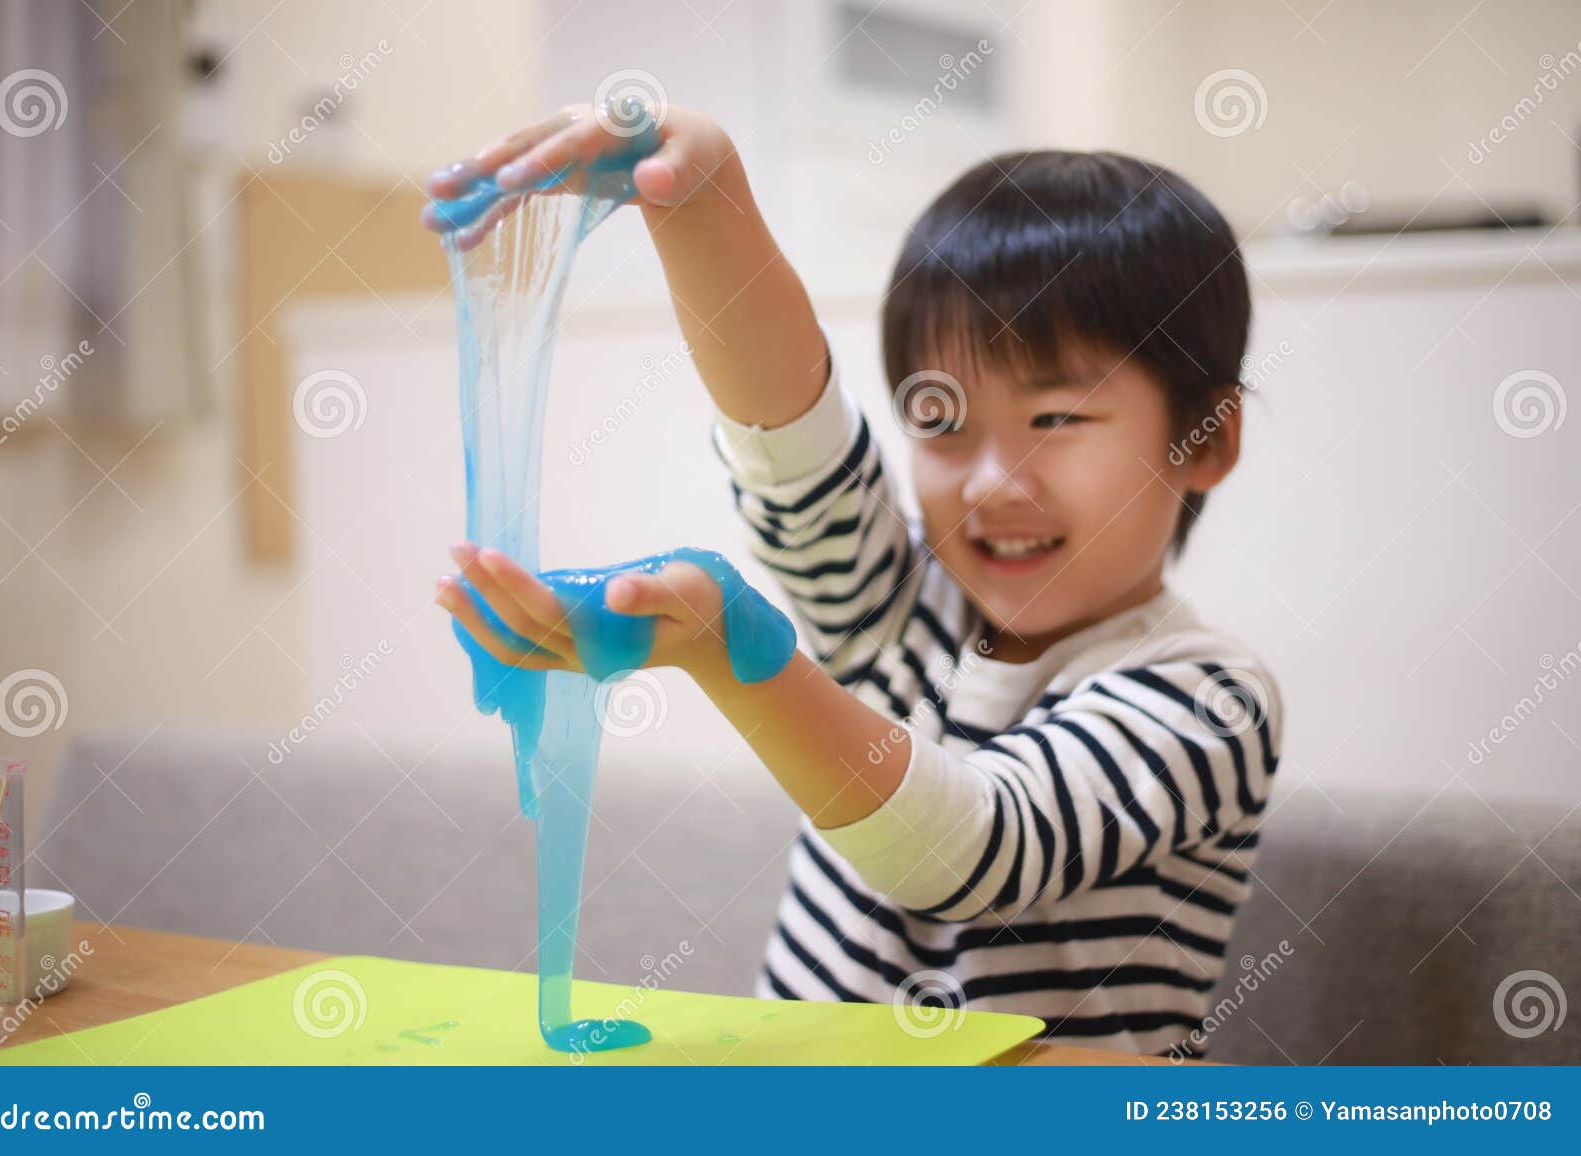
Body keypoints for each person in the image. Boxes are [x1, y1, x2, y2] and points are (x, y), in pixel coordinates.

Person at [425, 104, 1282, 1056]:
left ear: (1209, 439)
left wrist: (734, 654)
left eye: (1057, 421)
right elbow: (788, 441)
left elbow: (966, 848)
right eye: (944, 425)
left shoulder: (1208, 700)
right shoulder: (896, 604)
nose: (994, 483)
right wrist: (703, 200)